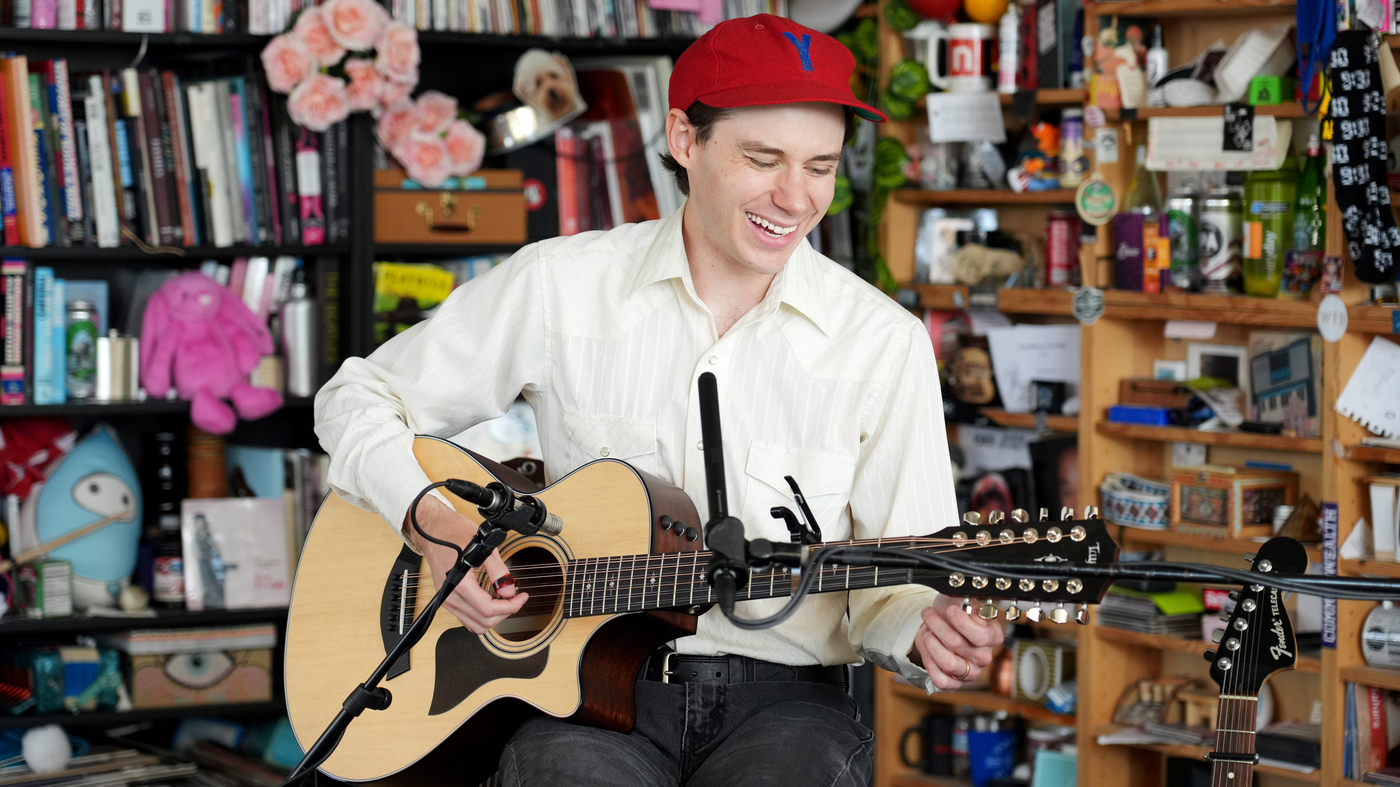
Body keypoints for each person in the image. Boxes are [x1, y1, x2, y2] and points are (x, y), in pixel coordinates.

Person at [314, 13, 1002, 786]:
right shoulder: (559, 286)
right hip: (583, 705)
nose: (795, 196)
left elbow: (893, 581)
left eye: (821, 166)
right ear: (684, 138)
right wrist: (434, 519)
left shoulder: (884, 341)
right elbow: (354, 396)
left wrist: (927, 628)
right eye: (763, 158)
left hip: (787, 709)